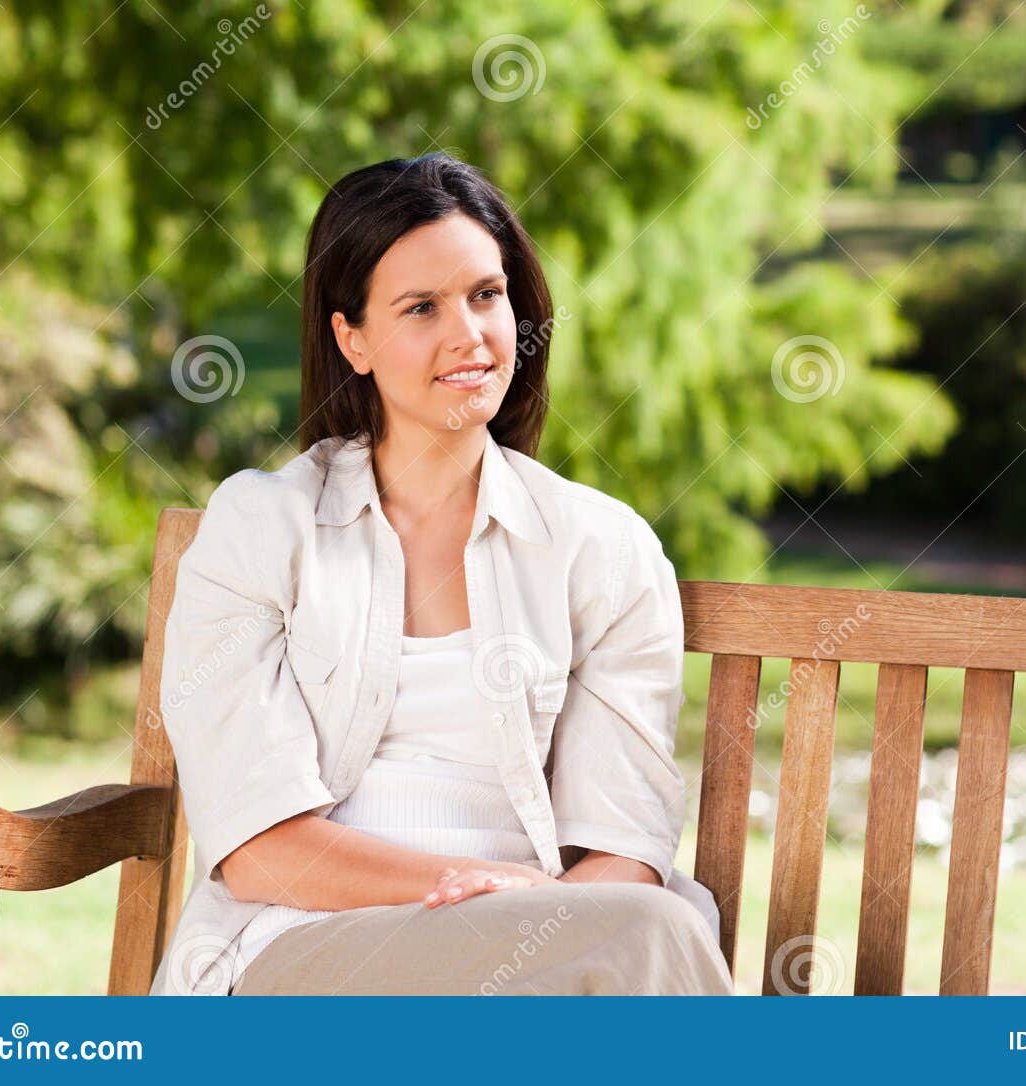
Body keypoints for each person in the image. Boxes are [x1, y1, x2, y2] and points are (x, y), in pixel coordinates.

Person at [148, 153, 733, 996]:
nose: (470, 334)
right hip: (306, 945)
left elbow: (624, 848)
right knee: (644, 942)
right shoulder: (262, 528)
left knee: (645, 930)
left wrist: (526, 914)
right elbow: (259, 848)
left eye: (486, 296)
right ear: (351, 337)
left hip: (542, 948)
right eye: (421, 307)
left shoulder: (602, 548)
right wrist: (473, 888)